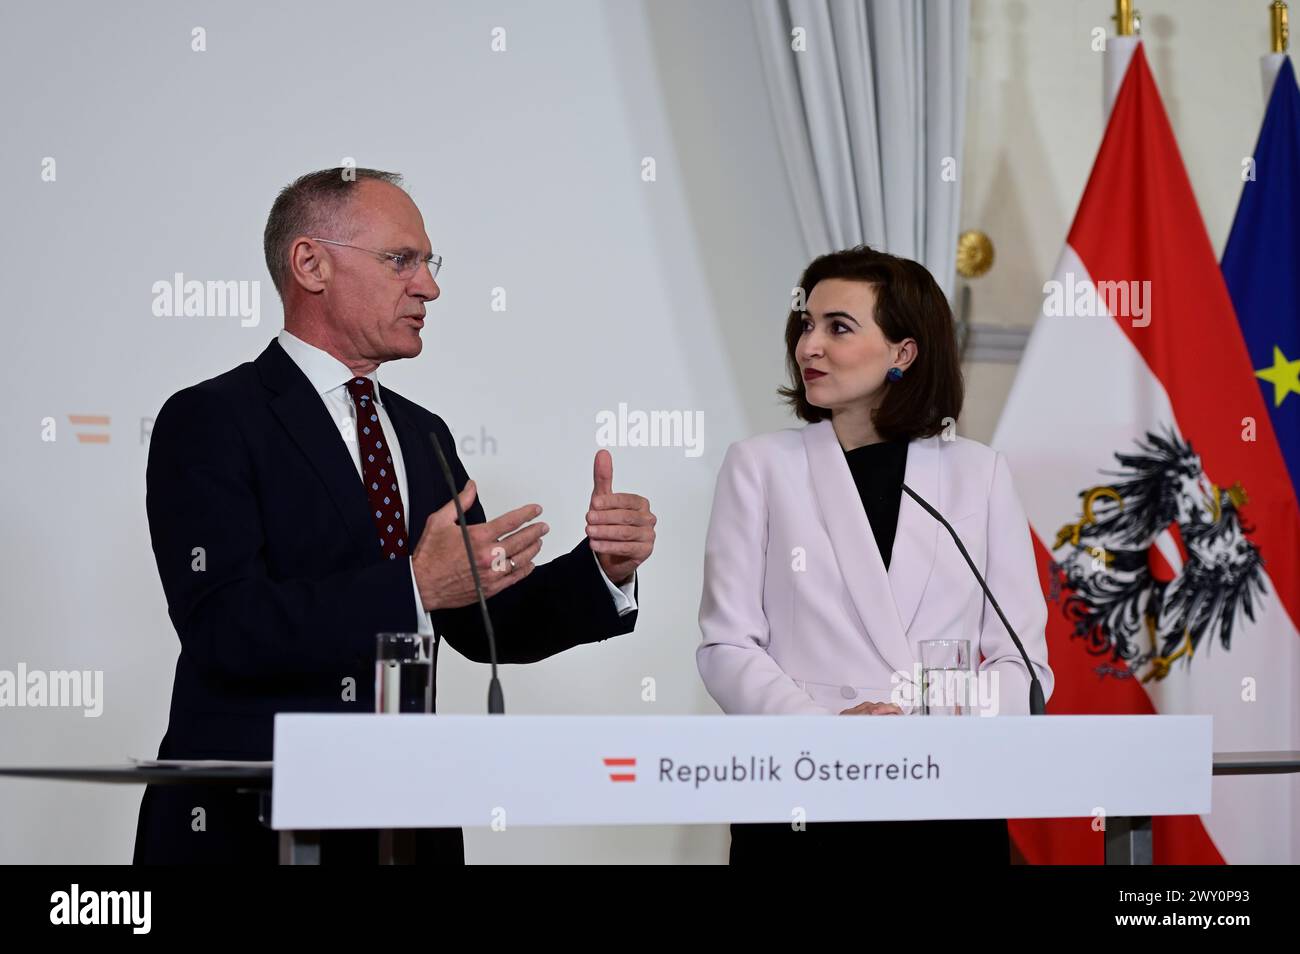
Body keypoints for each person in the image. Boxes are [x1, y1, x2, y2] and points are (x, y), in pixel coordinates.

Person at [135, 168, 657, 864]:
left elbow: (481, 619)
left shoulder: (422, 433)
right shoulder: (210, 419)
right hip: (252, 827)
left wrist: (603, 571)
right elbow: (225, 628)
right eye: (401, 260)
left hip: (404, 827)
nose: (429, 287)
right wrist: (412, 588)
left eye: (428, 263)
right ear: (311, 263)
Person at [696, 245, 1052, 864]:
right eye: (806, 325)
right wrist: (829, 737)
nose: (809, 346)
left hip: (944, 803)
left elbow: (1020, 659)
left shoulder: (978, 474)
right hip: (804, 799)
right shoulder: (759, 466)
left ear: (903, 352)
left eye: (838, 327)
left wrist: (933, 735)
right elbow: (727, 646)